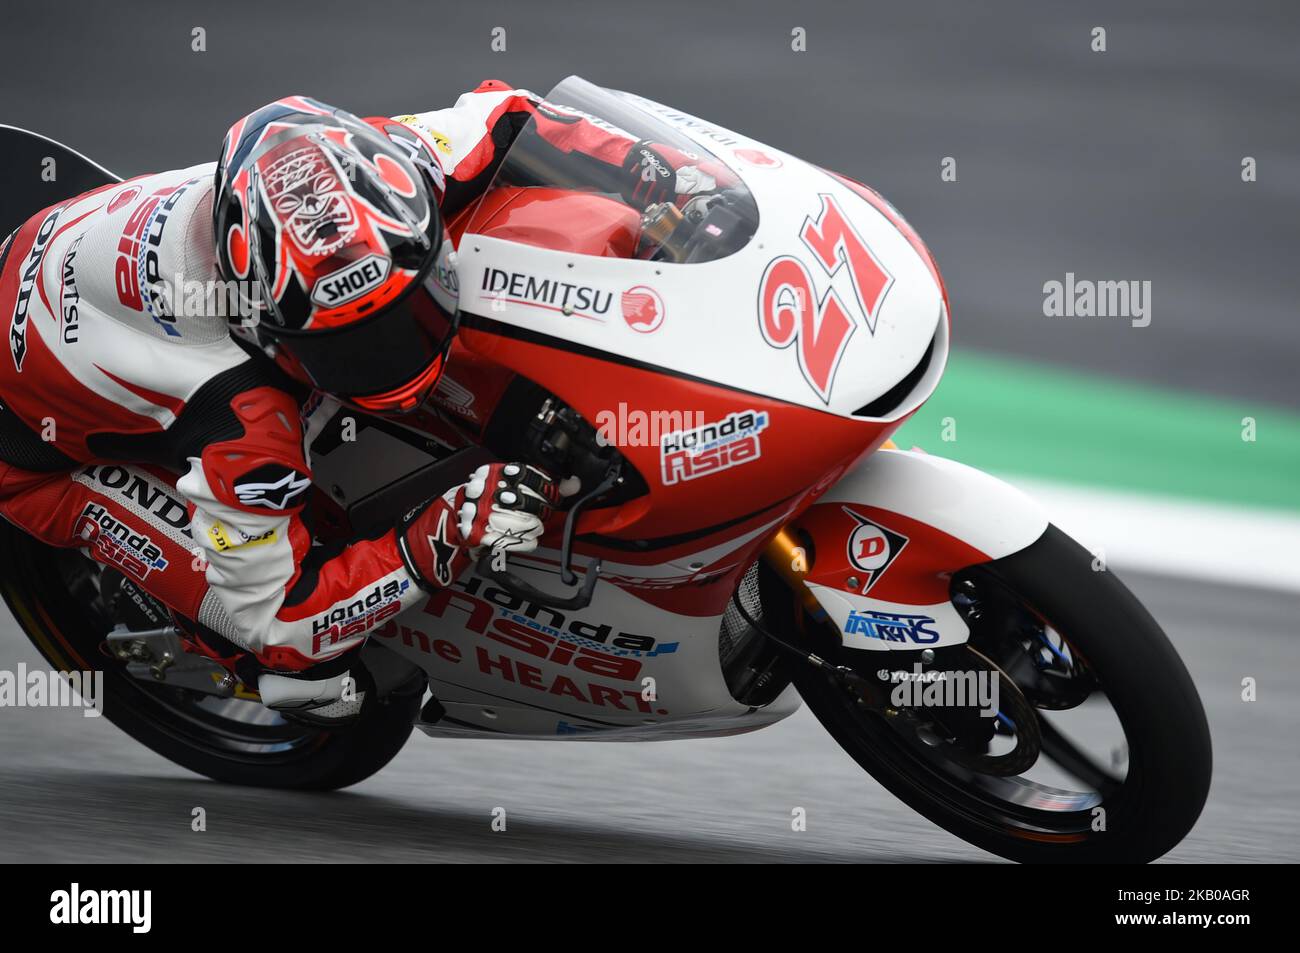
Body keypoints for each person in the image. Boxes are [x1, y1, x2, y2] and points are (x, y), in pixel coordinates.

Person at [0, 81, 721, 723]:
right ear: (267, 325)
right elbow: (280, 618)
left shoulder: (385, 168)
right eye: (353, 349)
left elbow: (513, 114)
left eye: (407, 317)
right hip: (36, 456)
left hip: (72, 264)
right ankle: (213, 656)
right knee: (305, 665)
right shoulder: (239, 411)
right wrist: (445, 533)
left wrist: (649, 170)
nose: (397, 360)